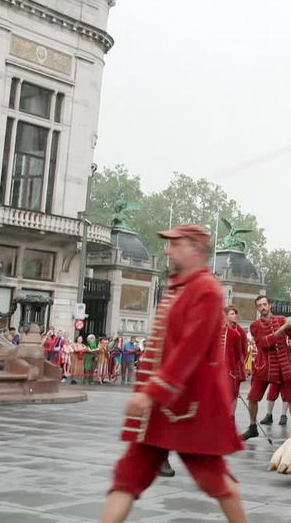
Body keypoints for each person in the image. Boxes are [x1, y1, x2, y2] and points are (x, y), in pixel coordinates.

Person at [100, 224, 246, 523]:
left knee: (215, 479)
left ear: (195, 248)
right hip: (160, 410)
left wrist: (151, 393)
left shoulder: (207, 290)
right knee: (127, 476)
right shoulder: (181, 286)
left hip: (189, 408)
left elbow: (189, 350)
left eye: (175, 244)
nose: (168, 250)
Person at [241, 296, 291, 441]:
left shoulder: (281, 319)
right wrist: (284, 327)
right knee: (252, 397)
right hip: (265, 367)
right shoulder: (255, 325)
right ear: (257, 308)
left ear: (270, 305)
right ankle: (252, 427)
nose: (263, 307)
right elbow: (266, 343)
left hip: (284, 366)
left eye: (265, 304)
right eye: (260, 305)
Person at [222, 305, 248, 418]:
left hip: (236, 366)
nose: (235, 316)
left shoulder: (240, 331)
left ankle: (231, 416)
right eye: (232, 314)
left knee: (234, 393)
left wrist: (239, 363)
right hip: (223, 366)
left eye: (235, 313)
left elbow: (244, 350)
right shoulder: (221, 330)